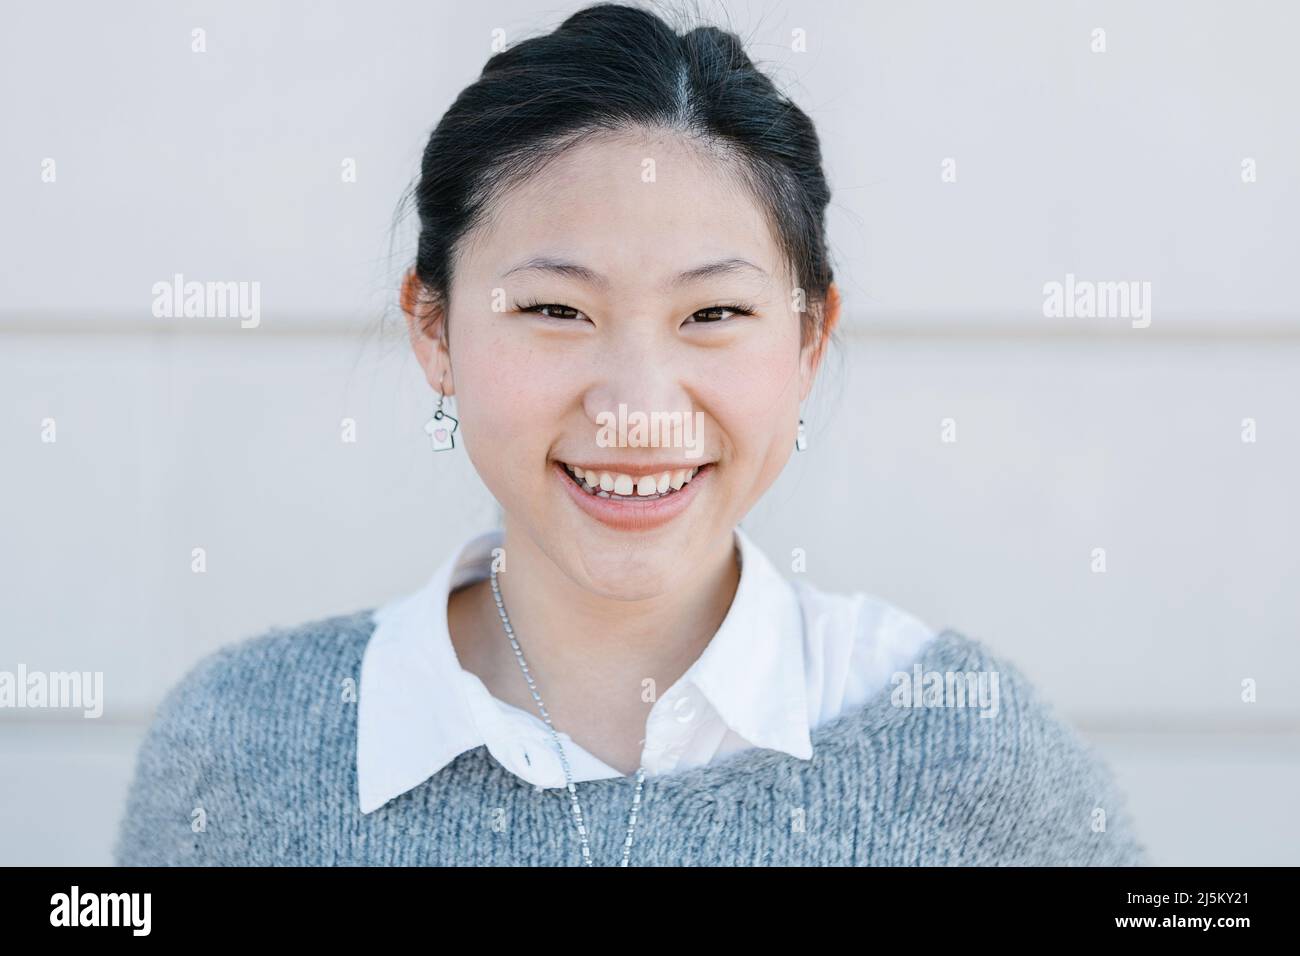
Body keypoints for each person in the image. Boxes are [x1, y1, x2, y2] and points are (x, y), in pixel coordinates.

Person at [114, 2, 1147, 866]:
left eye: (713, 314)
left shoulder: (969, 746)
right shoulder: (240, 751)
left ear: (808, 337)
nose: (637, 408)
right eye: (556, 311)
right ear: (433, 329)